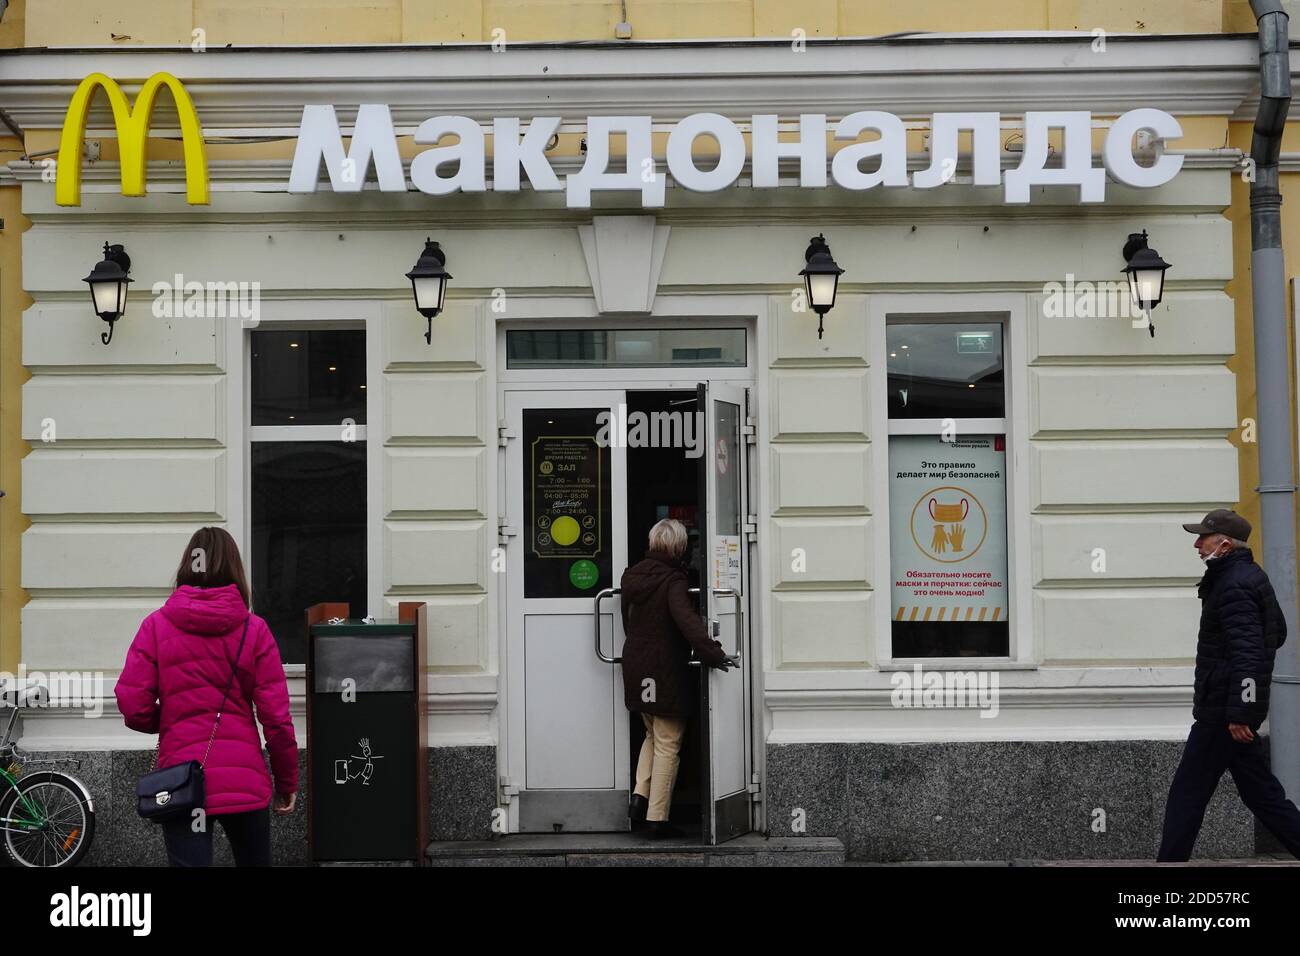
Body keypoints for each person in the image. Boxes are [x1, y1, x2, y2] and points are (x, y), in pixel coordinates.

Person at [115, 527, 298, 866]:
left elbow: (133, 705)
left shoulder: (156, 626)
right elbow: (275, 718)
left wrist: (170, 720)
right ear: (234, 569)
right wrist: (286, 781)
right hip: (245, 781)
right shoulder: (254, 630)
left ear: (188, 565)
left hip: (182, 782)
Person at [1157, 509, 1300, 861]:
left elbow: (1250, 652)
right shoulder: (1243, 577)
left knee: (1187, 794)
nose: (1197, 543)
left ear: (1224, 543)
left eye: (1203, 537)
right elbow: (1275, 634)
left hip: (1222, 713)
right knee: (1263, 796)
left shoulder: (1235, 583)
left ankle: (1168, 866)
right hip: (1226, 709)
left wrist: (1240, 713)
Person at [619, 518, 735, 839]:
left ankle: (639, 797)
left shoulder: (631, 576)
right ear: (679, 547)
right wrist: (714, 652)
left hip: (637, 665)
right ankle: (657, 818)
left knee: (652, 735)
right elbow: (687, 622)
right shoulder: (674, 580)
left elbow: (628, 622)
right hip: (665, 669)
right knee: (669, 743)